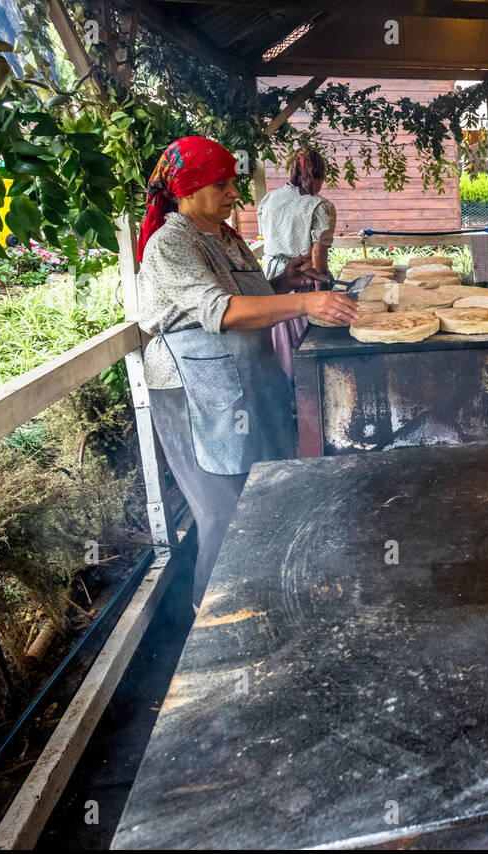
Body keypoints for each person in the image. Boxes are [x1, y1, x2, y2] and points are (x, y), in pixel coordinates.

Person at [136, 136, 358, 609]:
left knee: (262, 490)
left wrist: (284, 283)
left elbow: (244, 293)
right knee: (223, 508)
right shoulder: (171, 242)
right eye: (222, 185)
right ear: (188, 189)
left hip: (246, 379)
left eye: (233, 183)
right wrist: (304, 301)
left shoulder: (224, 236)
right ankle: (208, 619)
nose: (234, 193)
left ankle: (260, 596)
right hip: (198, 391)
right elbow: (218, 309)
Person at [257, 148, 338, 377]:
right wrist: (323, 289)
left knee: (279, 332)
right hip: (302, 277)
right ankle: (306, 386)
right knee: (307, 339)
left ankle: (285, 387)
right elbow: (318, 255)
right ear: (318, 176)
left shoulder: (269, 199)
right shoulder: (320, 206)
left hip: (272, 276)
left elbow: (268, 238)